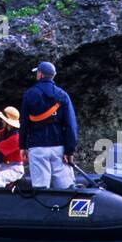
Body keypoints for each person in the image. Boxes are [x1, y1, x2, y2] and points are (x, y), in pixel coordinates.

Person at [18, 61, 77, 190]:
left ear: (40, 74)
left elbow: (24, 123)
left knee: (40, 189)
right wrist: (69, 150)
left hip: (37, 147)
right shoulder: (63, 95)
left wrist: (22, 146)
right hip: (58, 147)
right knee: (66, 188)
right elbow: (70, 126)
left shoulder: (29, 94)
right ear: (53, 76)